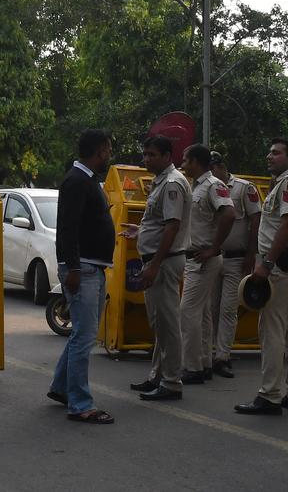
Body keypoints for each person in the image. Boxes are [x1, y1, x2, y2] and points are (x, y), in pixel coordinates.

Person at [236, 137, 288, 416]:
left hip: (281, 266)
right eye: (269, 152)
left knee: (272, 329)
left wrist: (267, 263)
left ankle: (269, 395)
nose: (269, 156)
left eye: (276, 153)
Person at [49, 129, 116, 424]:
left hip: (92, 267)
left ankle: (62, 388)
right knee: (85, 337)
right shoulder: (77, 181)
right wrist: (72, 268)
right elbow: (67, 228)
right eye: (108, 149)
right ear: (99, 150)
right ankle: (80, 403)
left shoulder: (87, 179)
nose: (110, 154)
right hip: (83, 269)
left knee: (81, 335)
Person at [121, 135, 190, 401]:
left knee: (168, 323)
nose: (146, 159)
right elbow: (161, 223)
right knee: (159, 323)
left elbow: (172, 226)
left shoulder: (172, 183)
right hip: (156, 260)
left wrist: (155, 265)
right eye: (145, 154)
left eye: (151, 154)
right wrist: (140, 231)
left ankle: (171, 382)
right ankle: (158, 376)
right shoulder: (162, 181)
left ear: (166, 156)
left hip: (164, 262)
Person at [178, 144, 235, 384]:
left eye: (185, 159)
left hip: (204, 258)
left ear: (195, 162)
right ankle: (203, 363)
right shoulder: (197, 186)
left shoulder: (214, 185)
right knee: (201, 314)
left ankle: (192, 367)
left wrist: (214, 248)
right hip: (196, 257)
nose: (182, 163)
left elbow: (229, 214)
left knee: (187, 311)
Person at [208, 151, 261, 379]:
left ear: (221, 166)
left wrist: (252, 252)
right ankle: (208, 354)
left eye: (212, 168)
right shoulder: (205, 187)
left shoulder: (243, 188)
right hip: (212, 257)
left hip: (236, 257)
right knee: (211, 308)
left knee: (228, 309)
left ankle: (222, 357)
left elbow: (256, 220)